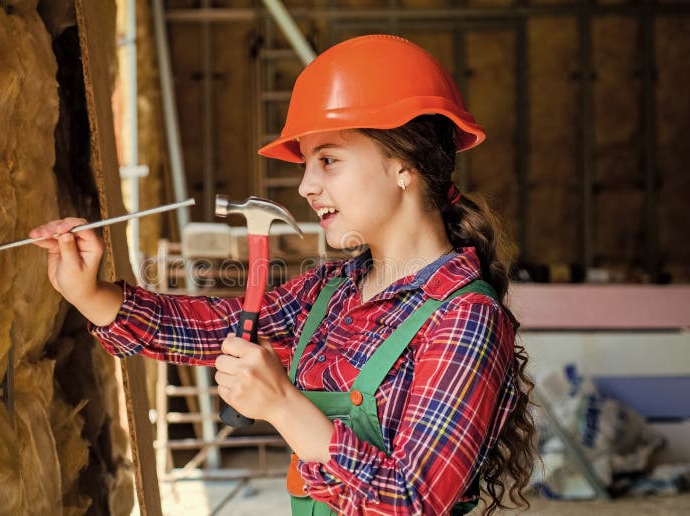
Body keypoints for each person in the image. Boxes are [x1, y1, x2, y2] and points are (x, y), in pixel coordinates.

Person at [30, 34, 536, 516]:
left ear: (404, 165)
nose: (306, 187)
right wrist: (89, 293)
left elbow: (413, 501)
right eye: (306, 165)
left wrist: (282, 404)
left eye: (328, 161)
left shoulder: (464, 317)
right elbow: (214, 330)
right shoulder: (331, 291)